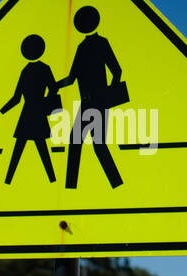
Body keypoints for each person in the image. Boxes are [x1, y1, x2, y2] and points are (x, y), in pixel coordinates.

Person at [56, 4, 124, 189]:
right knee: (79, 141)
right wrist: (55, 85)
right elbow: (72, 77)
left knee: (97, 144)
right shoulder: (82, 47)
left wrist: (108, 94)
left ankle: (115, 183)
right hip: (88, 104)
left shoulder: (100, 43)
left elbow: (117, 70)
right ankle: (71, 185)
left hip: (98, 103)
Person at [0, 34, 60, 185]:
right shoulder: (43, 69)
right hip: (37, 112)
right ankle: (52, 179)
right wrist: (45, 102)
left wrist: (2, 111)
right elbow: (53, 89)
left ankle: (8, 180)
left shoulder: (25, 71)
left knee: (22, 148)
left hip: (28, 113)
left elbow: (16, 98)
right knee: (39, 148)